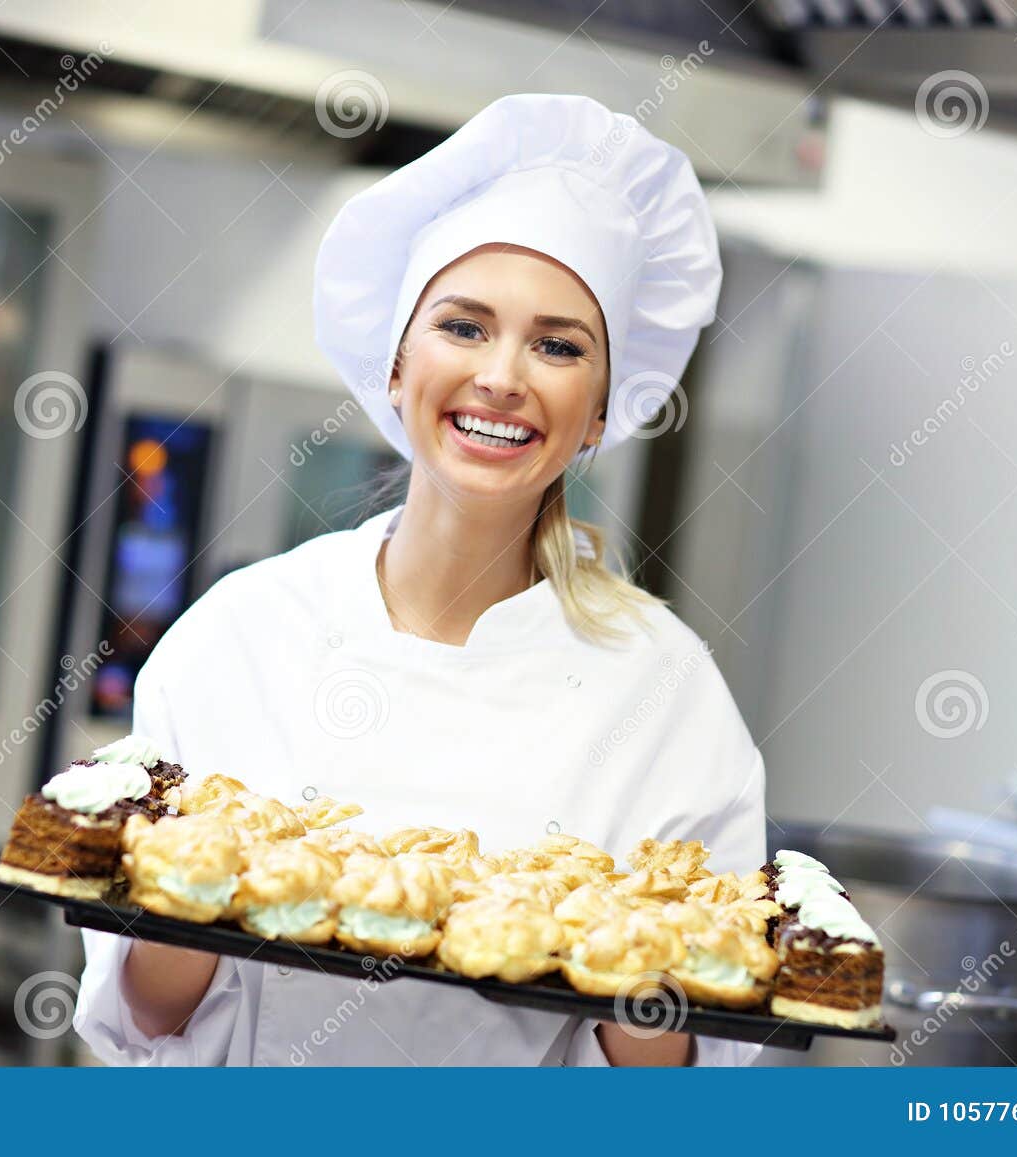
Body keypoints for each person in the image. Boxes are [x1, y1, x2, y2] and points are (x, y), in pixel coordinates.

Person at [72, 92, 767, 1066]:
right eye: (464, 326)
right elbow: (143, 1021)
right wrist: (187, 891)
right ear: (395, 365)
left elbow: (680, 1087)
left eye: (558, 344)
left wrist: (639, 954)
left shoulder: (664, 691)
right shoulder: (245, 631)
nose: (503, 376)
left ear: (602, 410)